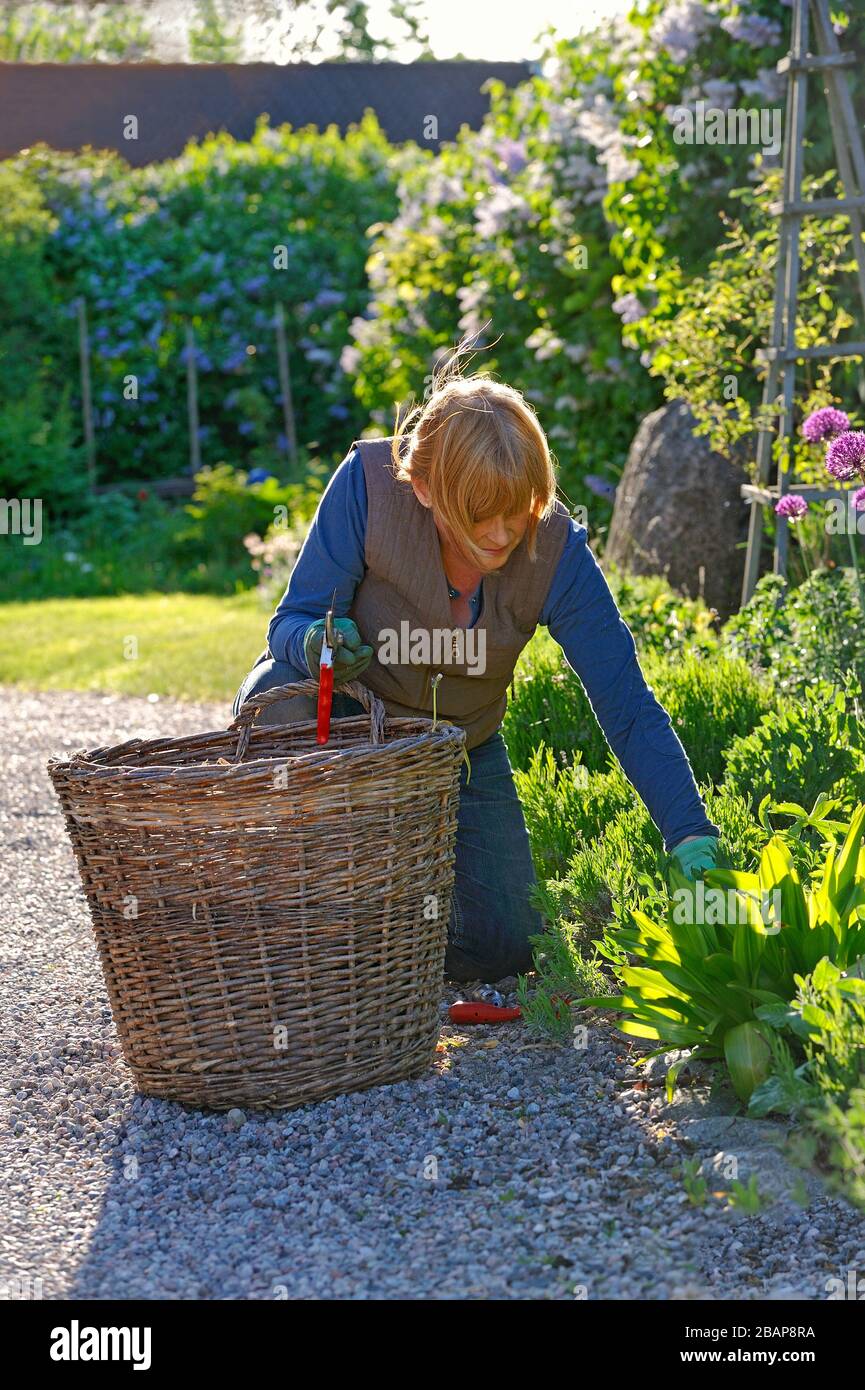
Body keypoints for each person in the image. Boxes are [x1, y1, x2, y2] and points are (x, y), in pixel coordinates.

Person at [233, 357, 720, 982]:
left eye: (516, 508)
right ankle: (287, 925)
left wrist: (689, 834)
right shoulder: (368, 487)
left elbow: (625, 704)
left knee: (505, 947)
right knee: (278, 696)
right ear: (428, 488)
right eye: (478, 512)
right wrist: (319, 643)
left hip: (457, 749)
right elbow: (289, 624)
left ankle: (384, 955)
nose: (500, 534)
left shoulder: (555, 551)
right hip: (351, 729)